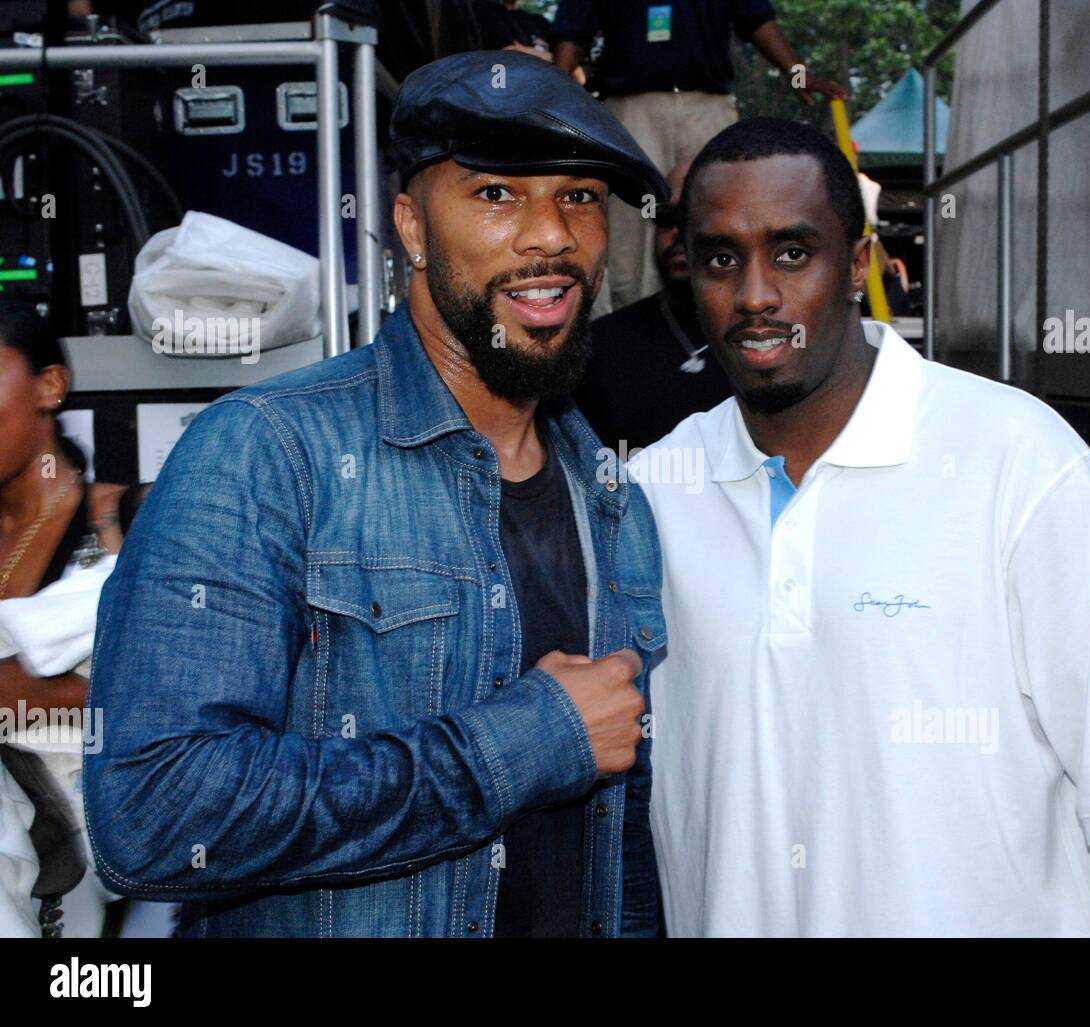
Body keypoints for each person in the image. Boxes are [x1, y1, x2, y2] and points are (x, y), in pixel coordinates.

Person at [85, 51, 669, 938]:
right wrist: (522, 743)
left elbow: (615, 843)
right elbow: (155, 815)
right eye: (498, 194)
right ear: (411, 226)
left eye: (579, 197)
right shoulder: (267, 450)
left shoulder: (612, 497)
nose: (550, 234)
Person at [630, 118, 1090, 937]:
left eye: (793, 252)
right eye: (722, 258)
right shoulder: (654, 491)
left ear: (858, 264)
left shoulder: (1020, 463)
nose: (756, 294)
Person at [0, 299, 150, 937]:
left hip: (93, 855)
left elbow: (182, 705)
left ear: (50, 385)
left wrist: (29, 695)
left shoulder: (130, 524)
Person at [553, 0, 845, 313]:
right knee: (633, 235)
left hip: (707, 105)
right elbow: (574, 28)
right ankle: (635, 333)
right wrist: (553, 94)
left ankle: (726, 325)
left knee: (724, 218)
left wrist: (799, 75)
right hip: (633, 107)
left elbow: (757, 17)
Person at [576, 158, 732, 451]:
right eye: (665, 219)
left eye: (692, 217)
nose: (676, 233)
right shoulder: (600, 346)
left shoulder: (769, 338)